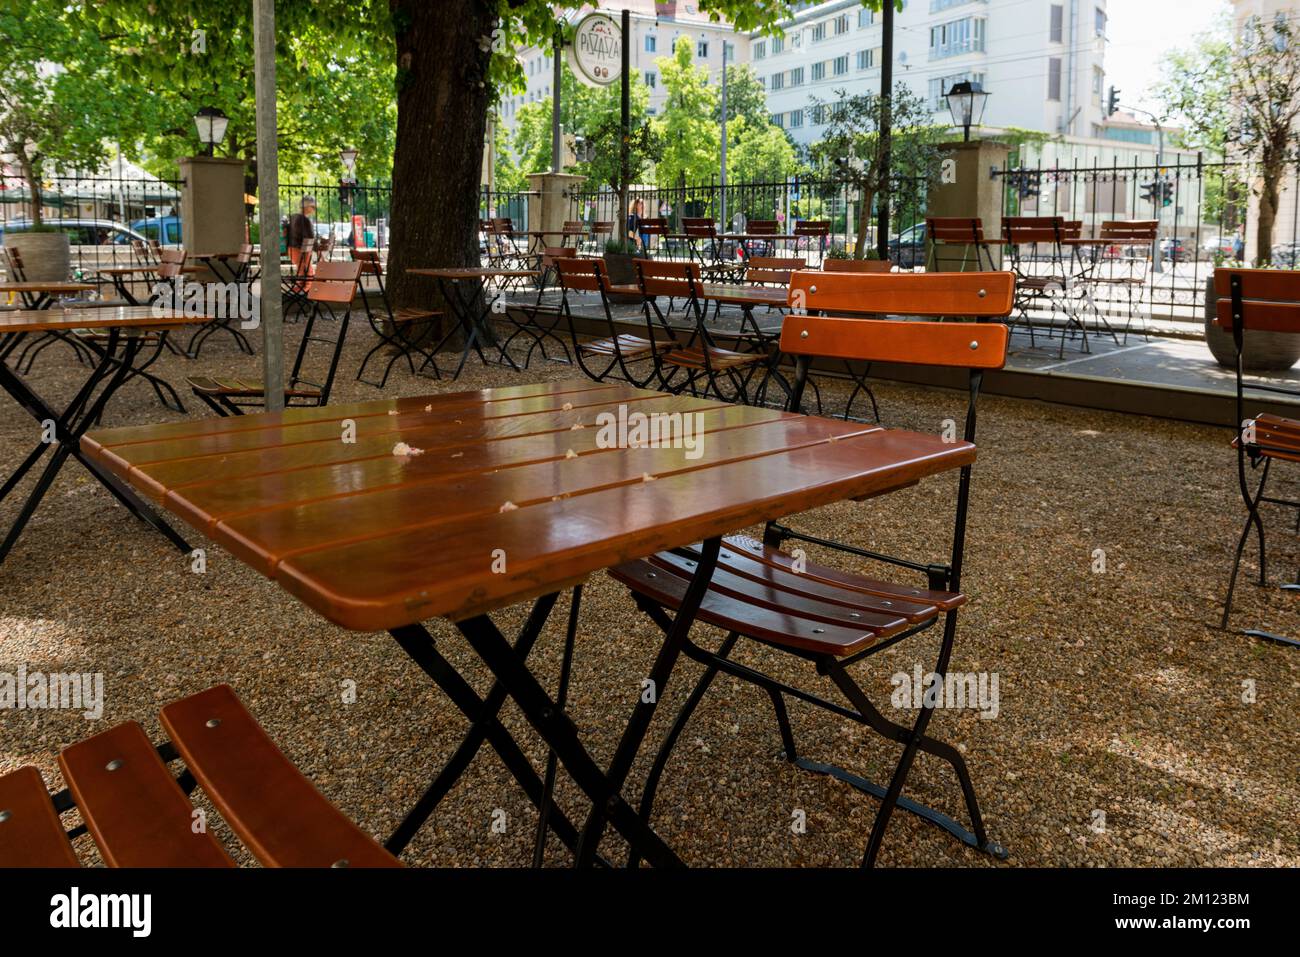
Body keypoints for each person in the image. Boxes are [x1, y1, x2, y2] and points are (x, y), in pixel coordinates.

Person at [287, 195, 317, 267]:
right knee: (305, 273)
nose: (314, 209)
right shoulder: (303, 219)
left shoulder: (294, 217)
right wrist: (318, 250)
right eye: (313, 207)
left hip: (292, 249)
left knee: (304, 272)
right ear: (306, 206)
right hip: (300, 250)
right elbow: (310, 237)